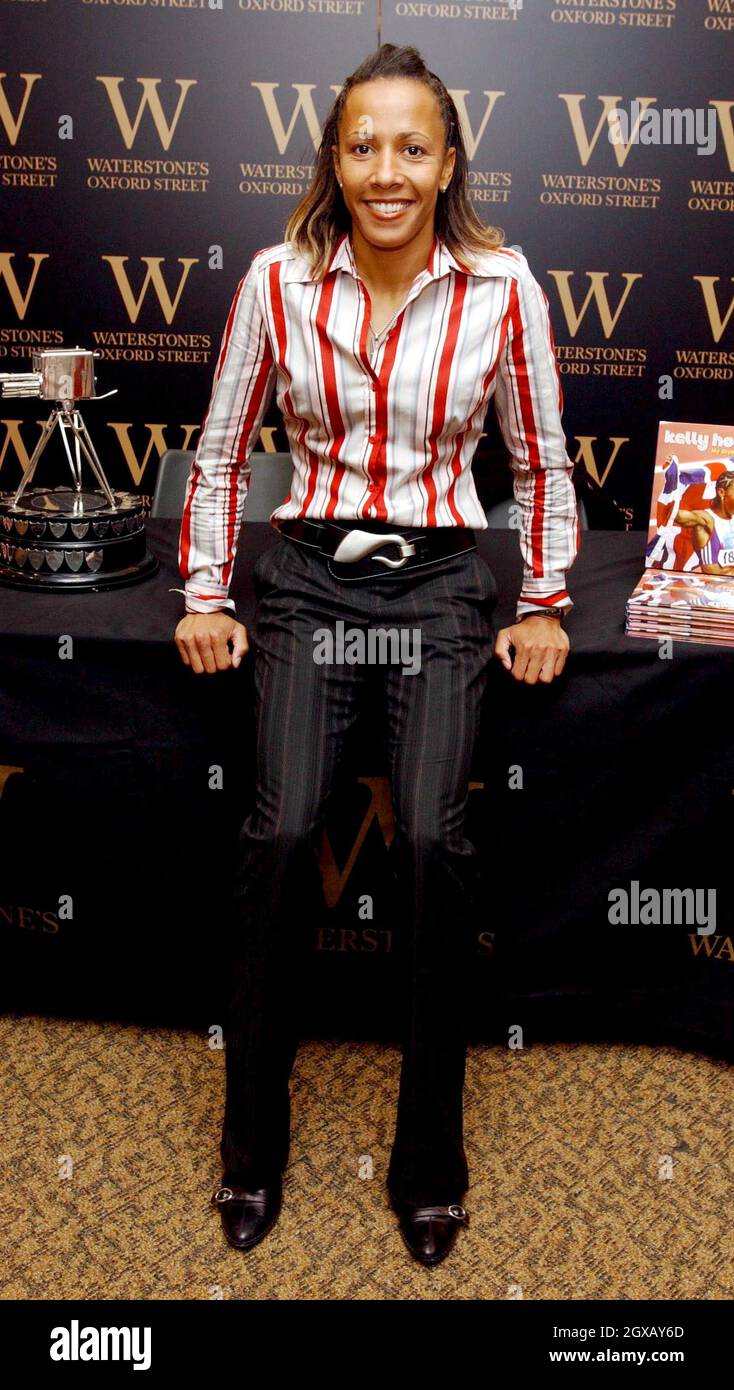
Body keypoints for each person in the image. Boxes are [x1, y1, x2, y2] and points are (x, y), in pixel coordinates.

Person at [174, 42, 580, 1267]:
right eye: (362, 145)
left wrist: (545, 597)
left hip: (447, 580)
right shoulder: (274, 280)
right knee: (282, 828)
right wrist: (205, 588)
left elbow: (544, 462)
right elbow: (219, 450)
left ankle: (428, 1164)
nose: (386, 170)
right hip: (302, 574)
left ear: (447, 159)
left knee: (436, 845)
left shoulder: (503, 284)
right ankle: (252, 1150)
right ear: (334, 159)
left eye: (412, 145)